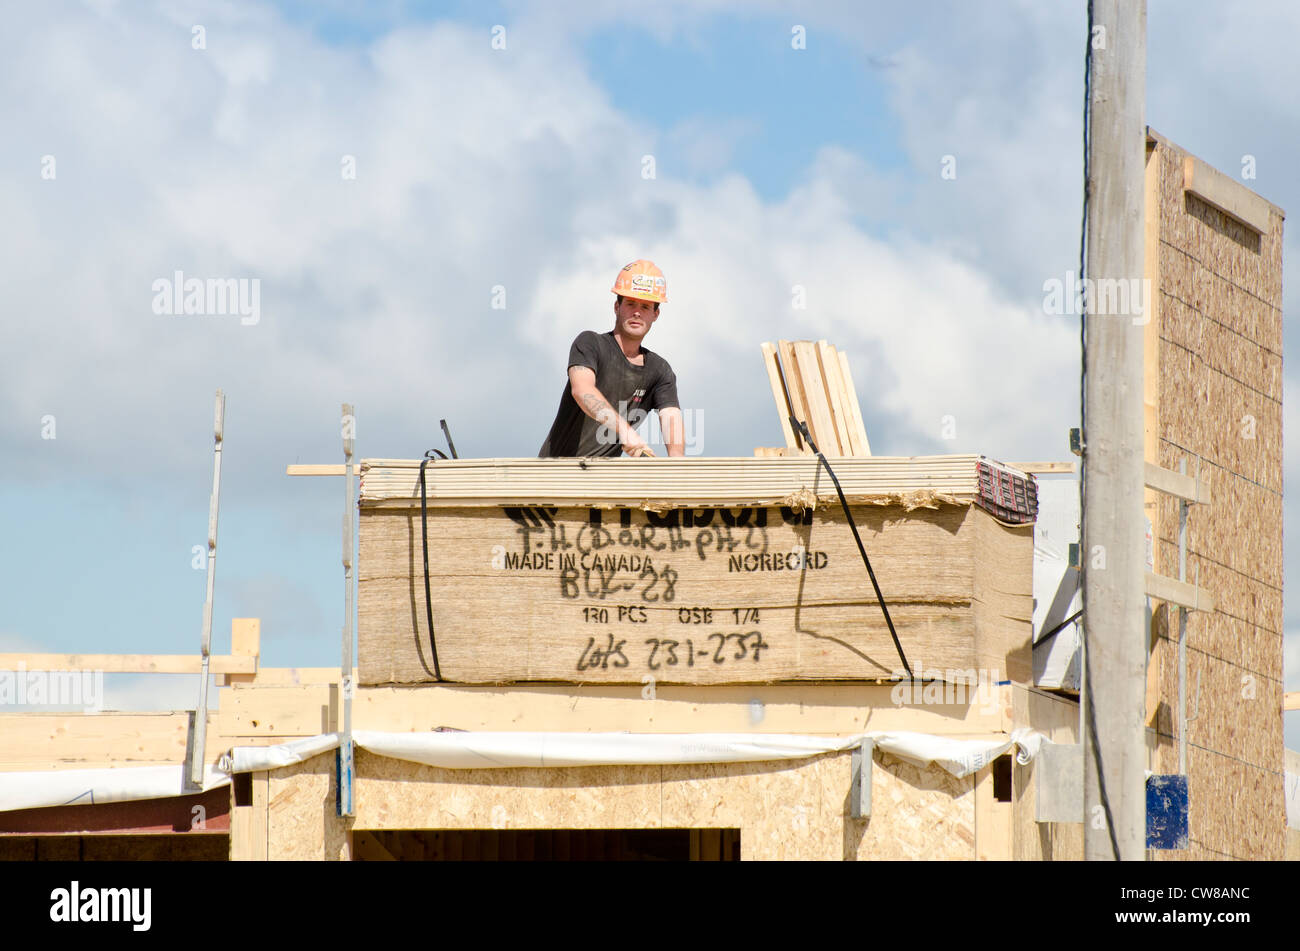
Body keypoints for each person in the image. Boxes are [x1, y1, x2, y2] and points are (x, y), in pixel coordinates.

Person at [538, 259, 685, 458]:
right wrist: (625, 432)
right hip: (555, 475)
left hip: (603, 482)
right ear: (617, 306)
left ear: (655, 314)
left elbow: (671, 418)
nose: (636, 312)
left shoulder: (660, 371)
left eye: (645, 307)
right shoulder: (590, 344)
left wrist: (677, 469)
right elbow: (583, 391)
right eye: (631, 303)